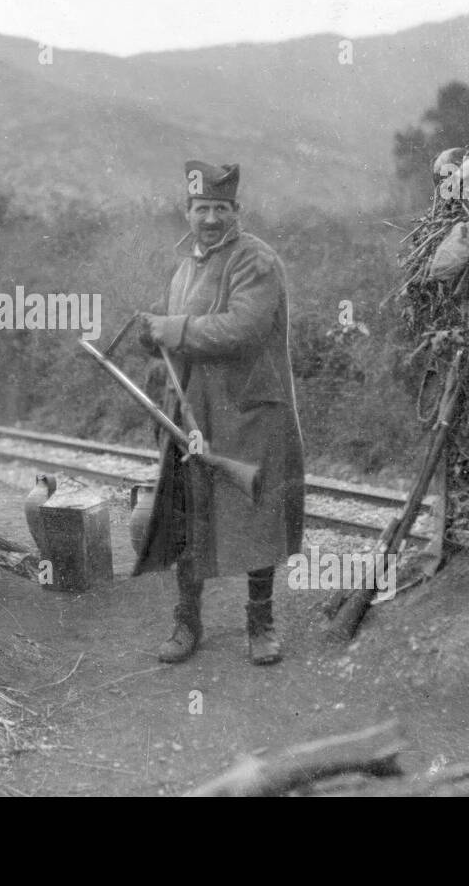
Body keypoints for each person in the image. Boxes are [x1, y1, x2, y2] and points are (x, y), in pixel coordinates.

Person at [135, 160, 305, 665]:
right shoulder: (185, 266)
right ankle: (187, 624)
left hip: (249, 410)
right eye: (201, 208)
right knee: (188, 515)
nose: (210, 218)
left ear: (237, 211)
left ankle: (261, 624)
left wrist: (170, 328)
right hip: (193, 413)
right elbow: (178, 337)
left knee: (256, 516)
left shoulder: (257, 260)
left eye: (220, 208)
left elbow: (243, 329)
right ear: (187, 212)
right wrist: (155, 341)